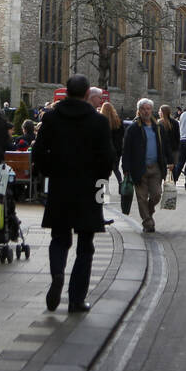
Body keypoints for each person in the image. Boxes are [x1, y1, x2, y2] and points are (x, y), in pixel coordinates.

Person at [33, 75, 116, 313]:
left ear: (68, 92)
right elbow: (107, 158)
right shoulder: (98, 121)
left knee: (59, 238)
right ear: (86, 93)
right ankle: (76, 299)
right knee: (85, 246)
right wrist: (98, 180)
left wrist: (50, 171)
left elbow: (39, 152)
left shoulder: (52, 118)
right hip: (87, 189)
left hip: (60, 186)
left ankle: (58, 274)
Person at [122, 98, 167, 233]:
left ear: (151, 110)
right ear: (139, 111)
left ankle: (149, 210)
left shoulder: (158, 127)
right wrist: (126, 168)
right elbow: (126, 149)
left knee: (156, 195)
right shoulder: (133, 128)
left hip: (156, 167)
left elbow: (165, 146)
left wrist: (170, 162)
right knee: (141, 197)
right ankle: (148, 223)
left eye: (148, 109)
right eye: (143, 109)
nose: (146, 111)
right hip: (139, 167)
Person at [101, 100, 125, 183]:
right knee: (116, 169)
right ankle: (120, 183)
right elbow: (123, 134)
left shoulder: (101, 121)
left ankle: (105, 189)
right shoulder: (118, 121)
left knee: (105, 169)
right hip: (117, 149)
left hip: (105, 149)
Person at [157, 104, 180, 174]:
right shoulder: (175, 122)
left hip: (163, 149)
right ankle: (173, 182)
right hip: (174, 148)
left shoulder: (159, 123)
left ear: (162, 112)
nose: (158, 112)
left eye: (159, 111)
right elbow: (177, 137)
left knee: (162, 167)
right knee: (173, 168)